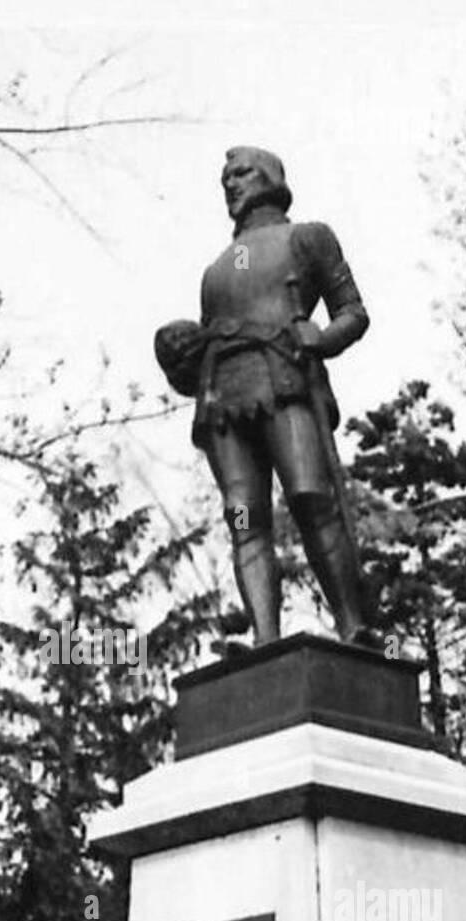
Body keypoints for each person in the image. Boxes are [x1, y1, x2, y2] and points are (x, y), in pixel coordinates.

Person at [155, 146, 376, 648]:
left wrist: (323, 338)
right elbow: (206, 343)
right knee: (244, 517)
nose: (231, 185)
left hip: (283, 380)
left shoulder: (308, 238)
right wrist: (182, 353)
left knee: (310, 496)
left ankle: (352, 624)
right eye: (225, 179)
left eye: (241, 173)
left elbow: (353, 312)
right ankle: (265, 637)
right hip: (222, 401)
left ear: (270, 177)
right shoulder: (216, 269)